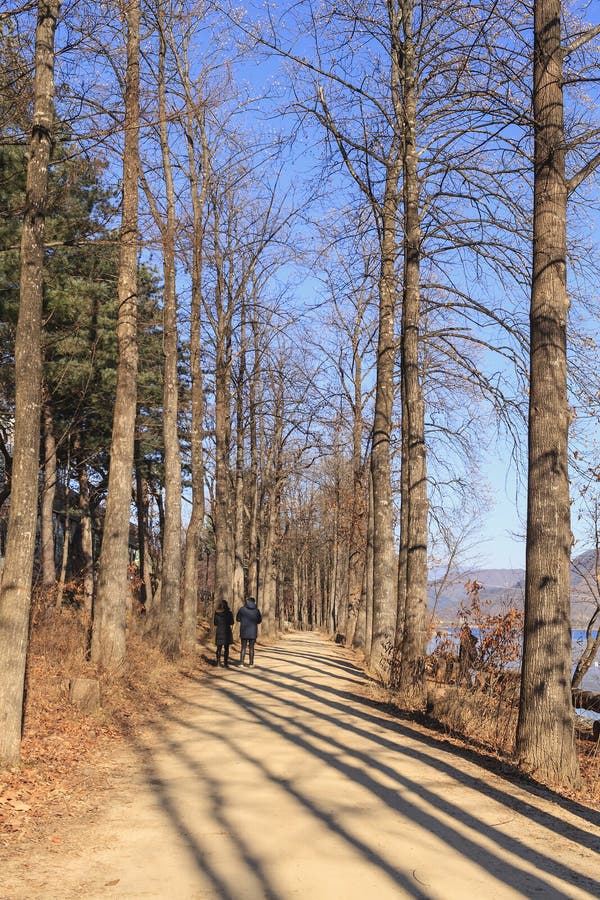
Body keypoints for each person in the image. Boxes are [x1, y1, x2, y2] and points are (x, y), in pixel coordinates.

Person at [236, 596, 262, 668]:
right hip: (253, 632)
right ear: (254, 602)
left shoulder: (242, 609)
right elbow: (259, 621)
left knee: (243, 647)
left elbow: (237, 619)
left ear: (247, 602)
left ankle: (241, 663)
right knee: (251, 648)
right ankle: (251, 663)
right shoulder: (257, 610)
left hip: (244, 631)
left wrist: (243, 620)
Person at [214, 600, 234, 667]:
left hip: (219, 630)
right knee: (226, 648)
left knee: (219, 648)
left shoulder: (216, 613)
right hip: (227, 631)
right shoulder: (229, 613)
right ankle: (225, 663)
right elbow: (232, 622)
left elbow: (215, 623)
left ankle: (218, 662)